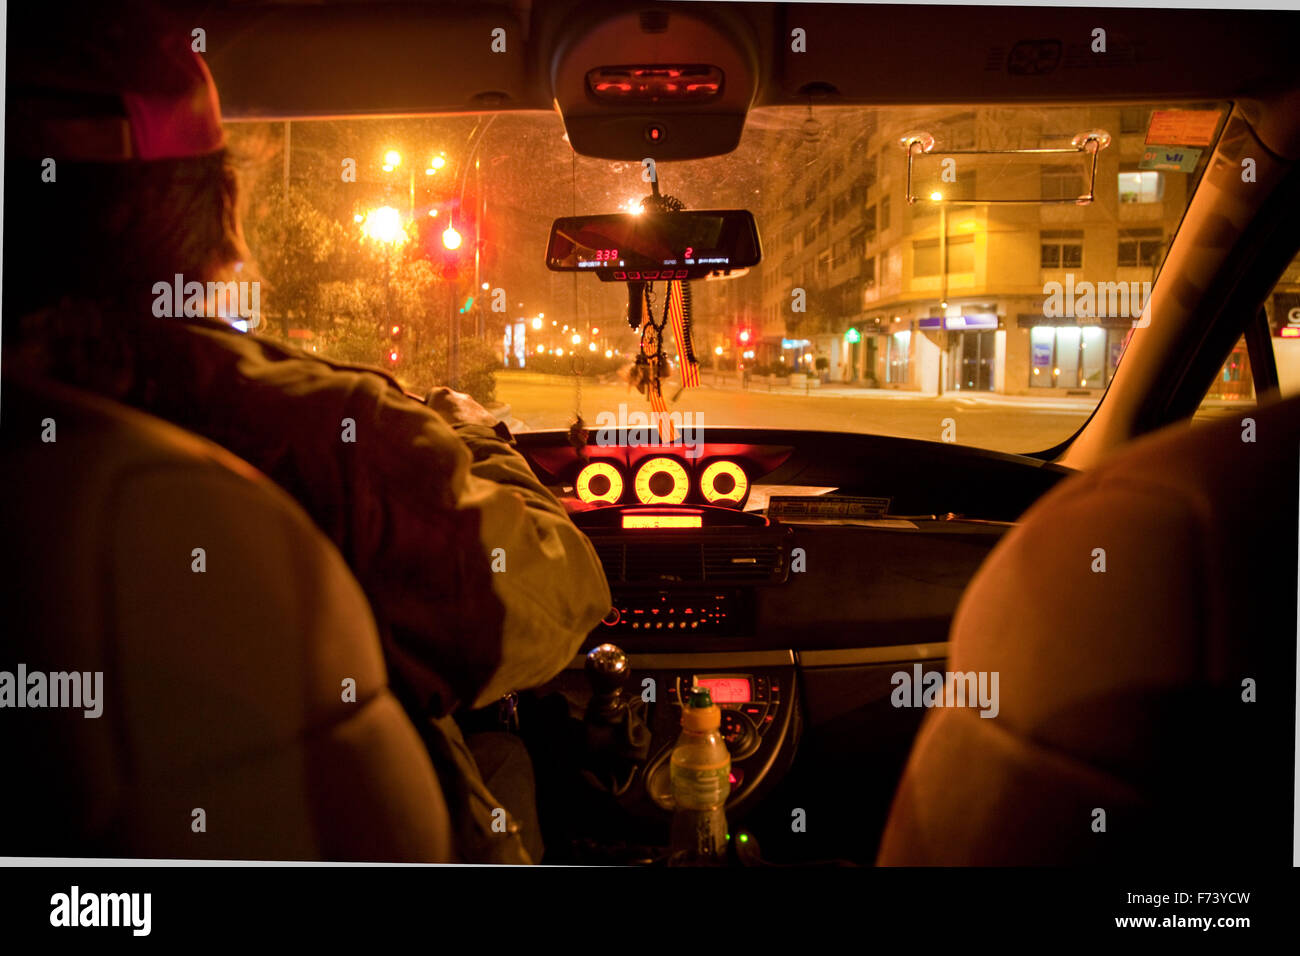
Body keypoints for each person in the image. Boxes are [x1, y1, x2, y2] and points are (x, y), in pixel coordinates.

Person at [3, 2, 611, 864]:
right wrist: (479, 442)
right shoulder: (322, 432)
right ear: (210, 201)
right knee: (506, 757)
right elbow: (553, 597)